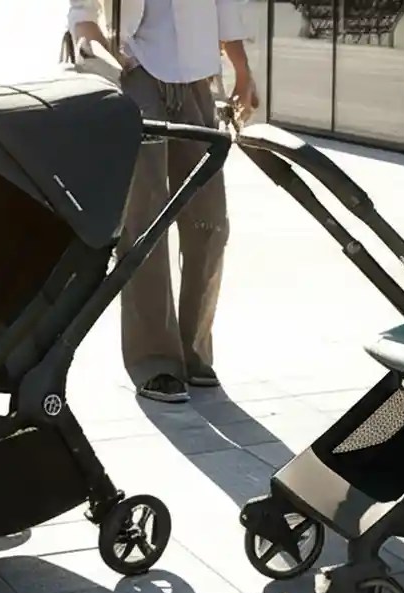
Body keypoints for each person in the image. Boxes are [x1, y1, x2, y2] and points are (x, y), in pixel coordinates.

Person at [68, 0, 259, 403]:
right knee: (144, 223)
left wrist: (241, 68)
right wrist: (104, 62)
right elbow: (83, 12)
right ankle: (154, 361)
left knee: (210, 221)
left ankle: (194, 350)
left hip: (198, 79)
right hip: (136, 74)